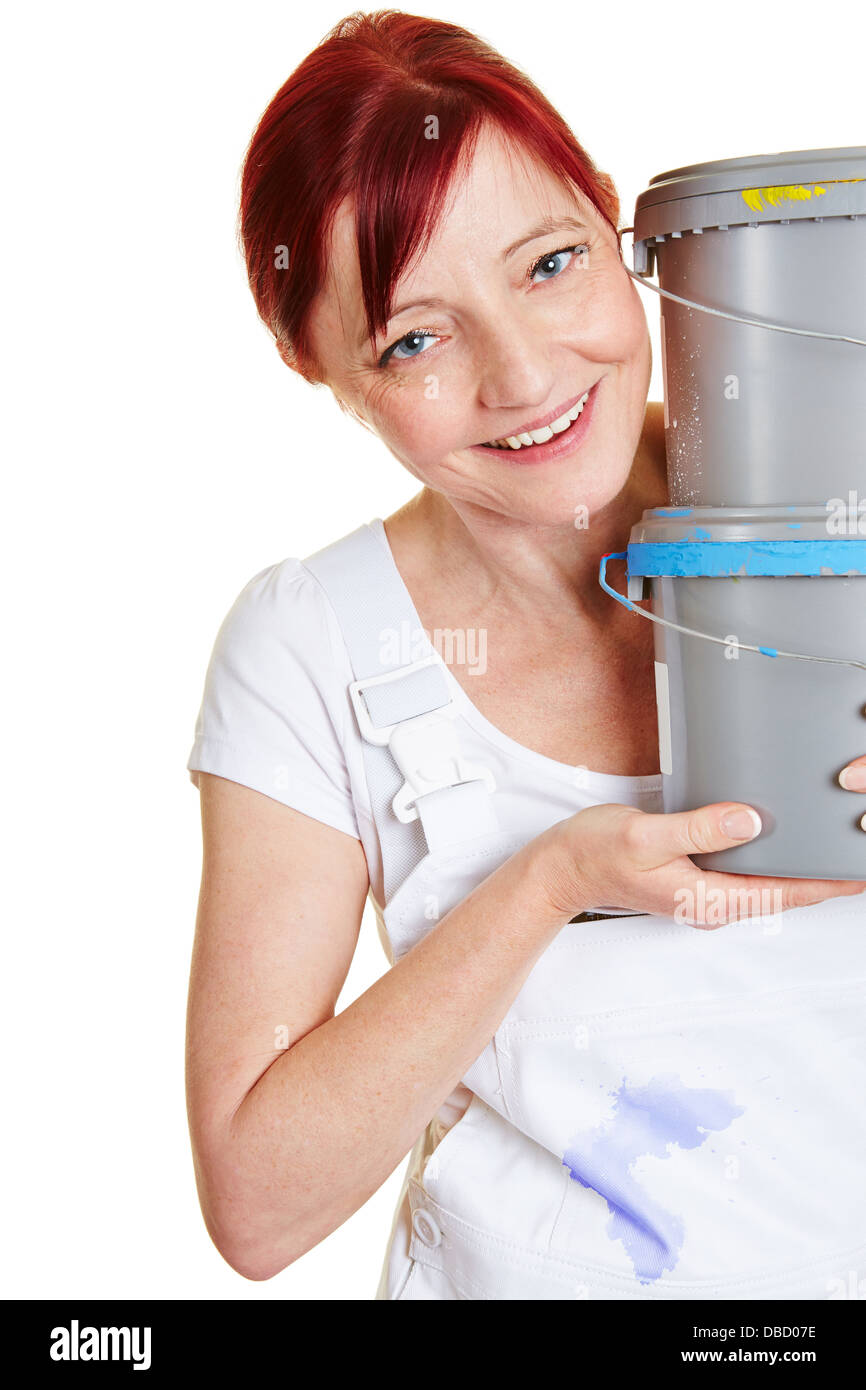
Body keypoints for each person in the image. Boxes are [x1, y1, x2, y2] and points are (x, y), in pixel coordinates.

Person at [184, 10, 866, 1300]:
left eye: (551, 263)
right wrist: (547, 884)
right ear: (319, 368)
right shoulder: (315, 646)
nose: (525, 375)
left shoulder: (849, 499)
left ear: (624, 231)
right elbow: (259, 1207)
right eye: (415, 339)